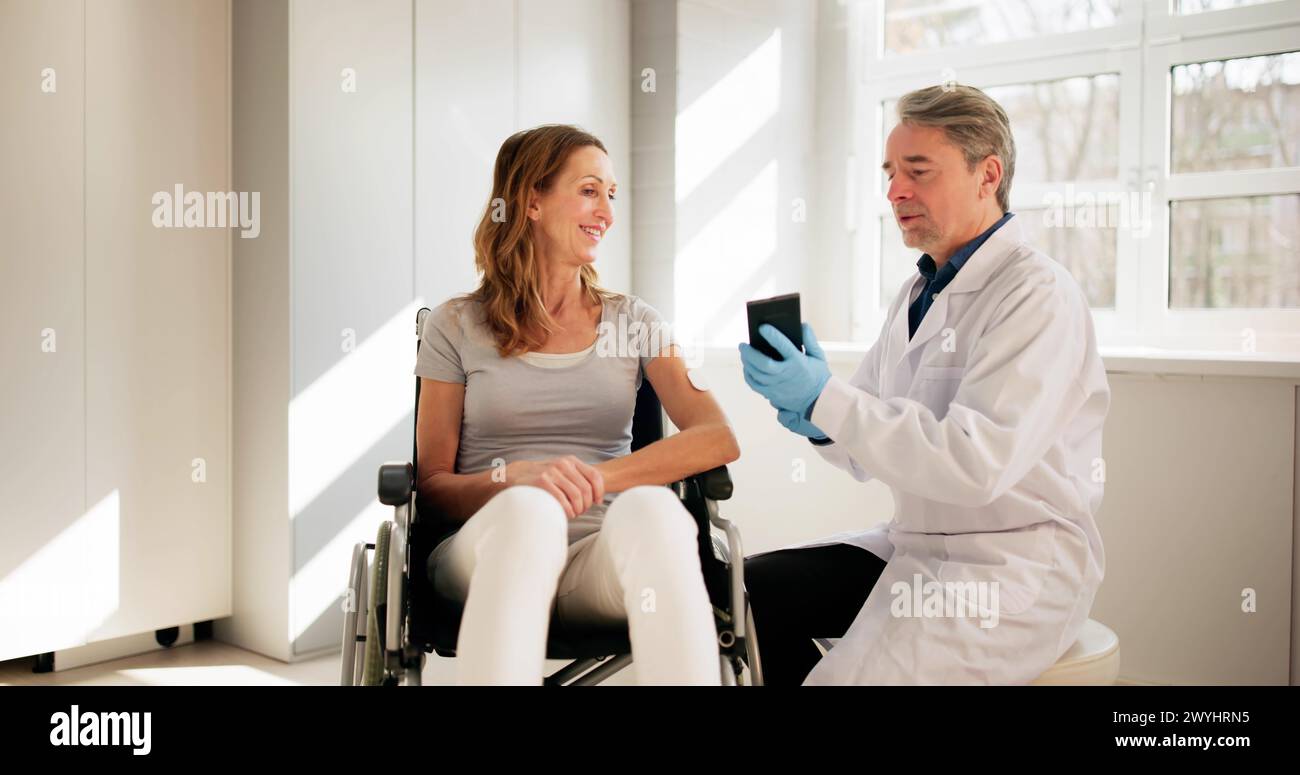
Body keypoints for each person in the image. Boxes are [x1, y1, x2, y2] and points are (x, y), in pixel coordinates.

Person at [740, 85, 1110, 685]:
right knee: (749, 593)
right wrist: (815, 416)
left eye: (918, 171)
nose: (895, 192)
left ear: (987, 174)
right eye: (890, 173)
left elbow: (975, 463)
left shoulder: (1036, 294)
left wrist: (825, 397)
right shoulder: (919, 292)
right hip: (917, 545)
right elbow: (867, 440)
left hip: (1011, 561)